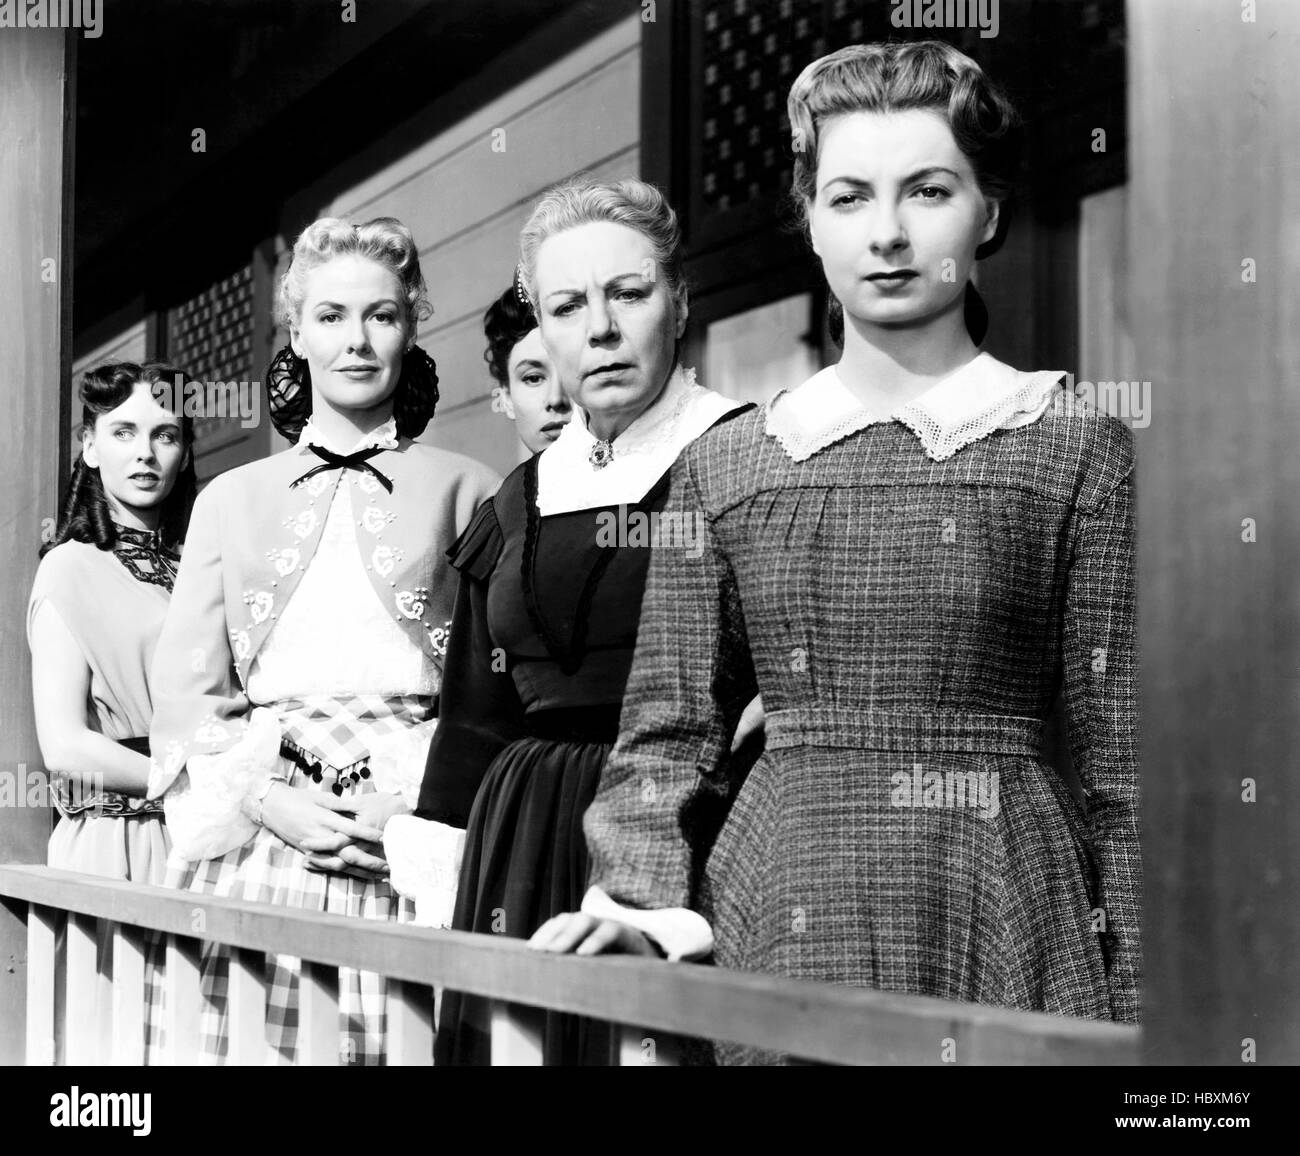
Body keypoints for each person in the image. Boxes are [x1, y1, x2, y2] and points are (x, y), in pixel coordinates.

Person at [531, 41, 1141, 1060]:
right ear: (809, 219)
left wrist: (1148, 1003)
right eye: (850, 197)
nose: (889, 233)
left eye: (929, 190)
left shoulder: (1073, 442)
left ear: (986, 211)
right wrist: (635, 904)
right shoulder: (728, 464)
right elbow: (668, 734)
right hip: (785, 903)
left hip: (1007, 900)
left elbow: (1125, 763)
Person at [383, 176, 759, 1065]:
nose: (599, 329)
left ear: (680, 301)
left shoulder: (749, 458)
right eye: (566, 306)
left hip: (690, 837)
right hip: (519, 841)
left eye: (629, 294)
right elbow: (477, 711)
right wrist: (443, 852)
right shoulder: (522, 496)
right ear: (542, 329)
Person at [148, 216, 500, 1064]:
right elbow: (190, 684)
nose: (357, 339)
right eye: (333, 316)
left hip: (405, 829)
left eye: (382, 315)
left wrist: (412, 800)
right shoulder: (229, 499)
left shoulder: (474, 487)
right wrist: (266, 799)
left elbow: (491, 687)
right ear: (295, 331)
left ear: (411, 327)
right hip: (265, 820)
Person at [28, 360, 195, 882]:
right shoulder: (70, 567)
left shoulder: (201, 565)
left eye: (165, 435)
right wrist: (192, 784)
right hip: (119, 841)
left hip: (209, 836)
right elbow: (65, 746)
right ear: (91, 446)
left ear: (185, 451)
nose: (145, 452)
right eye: (124, 432)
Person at [483, 276, 572, 454]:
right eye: (533, 378)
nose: (556, 399)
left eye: (572, 371)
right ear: (507, 397)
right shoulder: (504, 483)